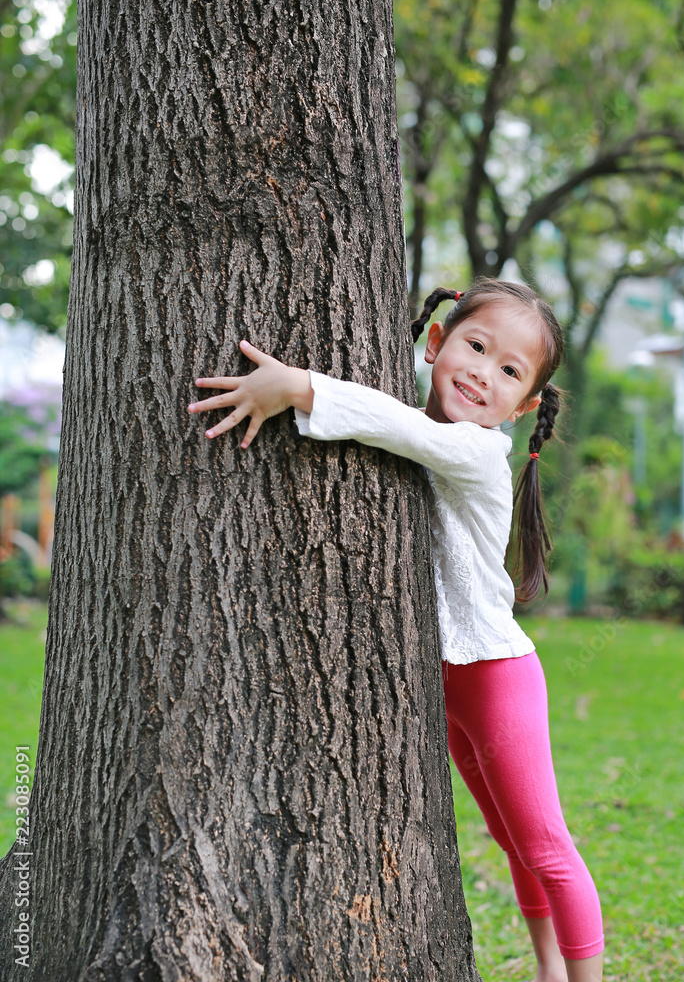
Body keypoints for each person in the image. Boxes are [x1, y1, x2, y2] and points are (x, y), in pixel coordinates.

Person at [186, 279, 605, 982]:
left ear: (525, 406)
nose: (482, 373)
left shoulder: (474, 453)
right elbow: (397, 420)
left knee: (546, 848)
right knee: (509, 839)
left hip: (495, 677)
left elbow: (397, 426)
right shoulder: (440, 434)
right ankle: (549, 972)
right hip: (446, 679)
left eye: (508, 371)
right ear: (436, 343)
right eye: (475, 346)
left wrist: (297, 387)